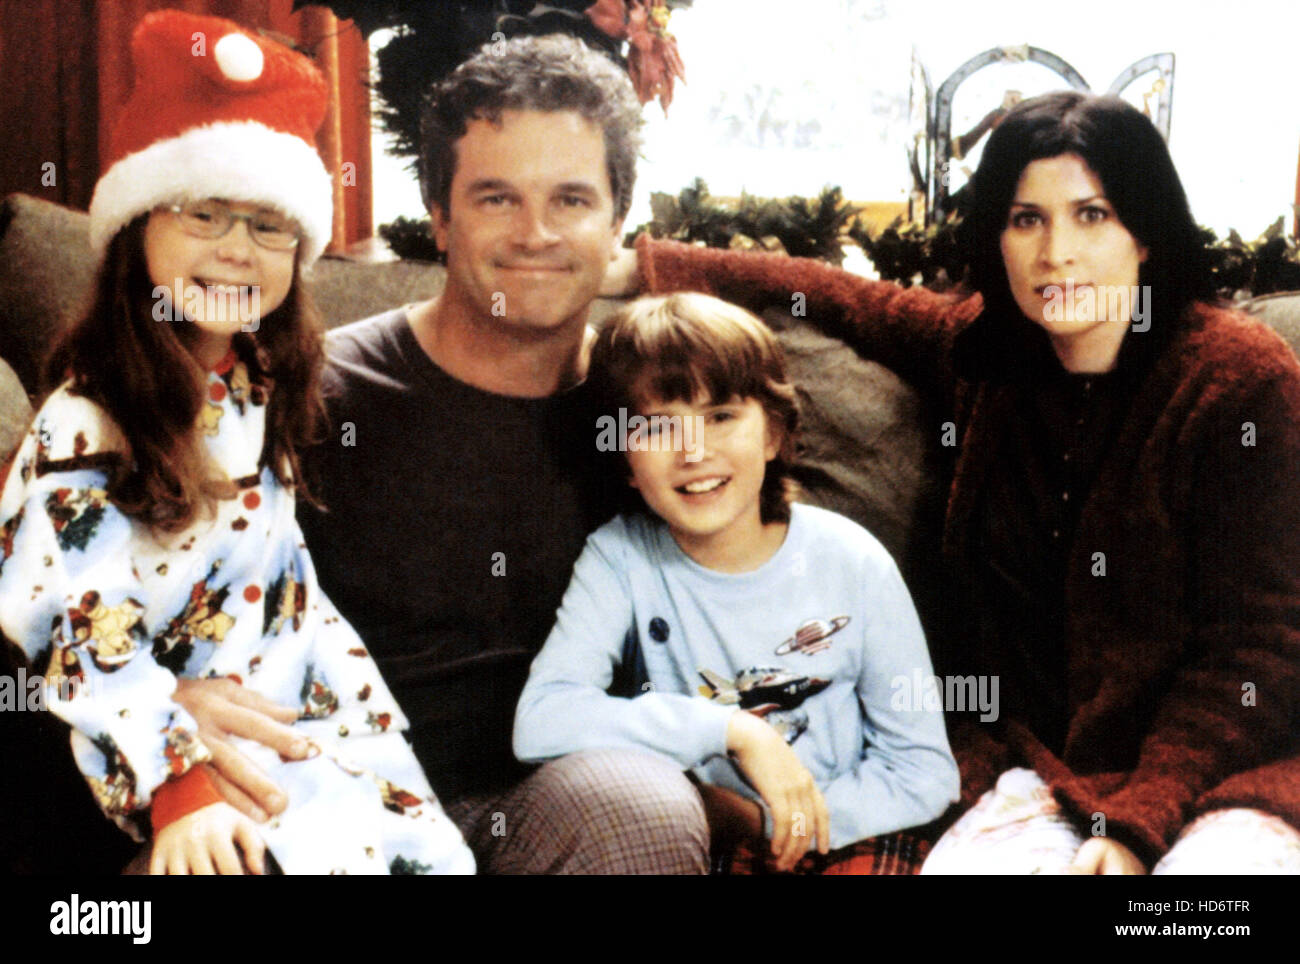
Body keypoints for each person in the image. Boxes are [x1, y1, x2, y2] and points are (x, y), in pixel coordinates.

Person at [611, 91, 1300, 874]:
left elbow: (1260, 653)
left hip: (1232, 776)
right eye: (1025, 219)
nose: (1056, 254)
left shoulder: (1237, 383)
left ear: (1146, 233)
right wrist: (646, 266)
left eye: (1093, 215)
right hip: (1042, 775)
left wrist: (1137, 826)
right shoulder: (990, 357)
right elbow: (849, 298)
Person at [152, 33, 705, 874]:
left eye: (571, 200)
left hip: (550, 810)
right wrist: (167, 702)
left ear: (620, 222)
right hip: (319, 804)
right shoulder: (300, 391)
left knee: (642, 807)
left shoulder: (655, 414)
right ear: (439, 220)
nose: (535, 234)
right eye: (495, 199)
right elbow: (86, 569)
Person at [0, 10, 473, 875]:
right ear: (137, 231)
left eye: (268, 225)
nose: (236, 251)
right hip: (148, 763)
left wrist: (366, 735)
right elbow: (75, 621)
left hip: (285, 725)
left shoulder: (257, 391)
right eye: (203, 214)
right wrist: (178, 793)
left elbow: (282, 581)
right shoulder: (85, 422)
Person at [512, 292, 959, 874]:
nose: (693, 451)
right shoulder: (620, 556)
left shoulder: (853, 561)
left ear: (773, 433)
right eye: (655, 427)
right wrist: (732, 730)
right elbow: (541, 721)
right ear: (622, 456)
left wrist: (765, 820)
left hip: (852, 828)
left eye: (721, 417)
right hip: (707, 837)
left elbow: (925, 773)